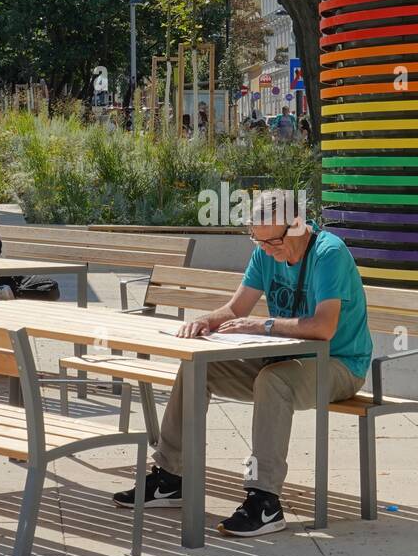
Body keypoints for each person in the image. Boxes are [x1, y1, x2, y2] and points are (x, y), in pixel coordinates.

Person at [113, 189, 372, 537]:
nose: (266, 249)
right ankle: (170, 478)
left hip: (340, 365)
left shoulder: (329, 254)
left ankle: (264, 500)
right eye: (258, 240)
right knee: (197, 366)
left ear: (297, 225)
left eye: (273, 241)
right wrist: (206, 321)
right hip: (286, 357)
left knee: (273, 381)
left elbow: (323, 328)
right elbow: (236, 310)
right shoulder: (265, 252)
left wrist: (263, 325)